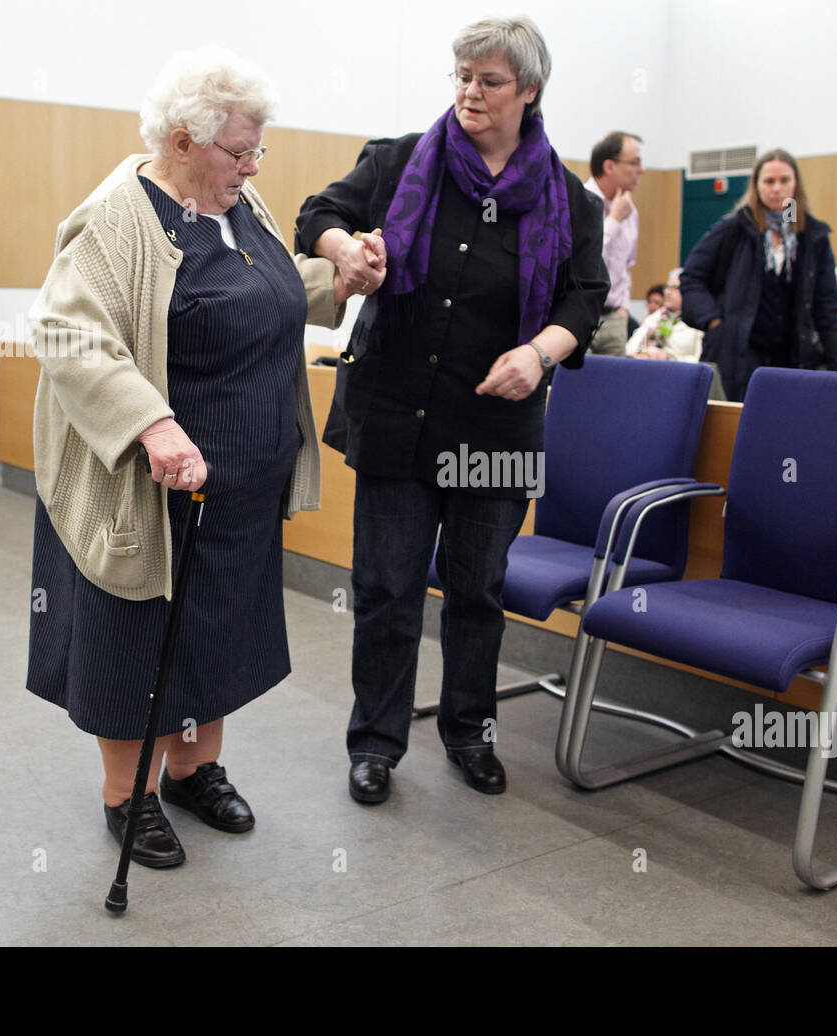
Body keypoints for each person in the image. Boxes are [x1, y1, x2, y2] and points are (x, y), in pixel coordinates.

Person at [26, 48, 359, 868]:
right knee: (134, 640)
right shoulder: (116, 216)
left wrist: (338, 280)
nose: (252, 164)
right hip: (147, 483)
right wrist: (151, 424)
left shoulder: (239, 204)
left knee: (217, 631)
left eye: (258, 150)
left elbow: (264, 286)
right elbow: (69, 336)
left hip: (241, 484)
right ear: (182, 140)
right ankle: (126, 795)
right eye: (239, 150)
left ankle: (193, 770)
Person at [295, 16, 606, 805]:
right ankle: (375, 745)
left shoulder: (569, 198)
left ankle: (469, 733)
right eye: (462, 76)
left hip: (498, 428)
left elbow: (585, 297)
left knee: (477, 591)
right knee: (387, 588)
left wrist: (540, 352)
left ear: (529, 93)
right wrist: (345, 251)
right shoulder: (400, 162)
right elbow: (314, 215)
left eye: (489, 80)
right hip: (400, 413)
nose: (470, 92)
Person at [679, 148, 837, 401]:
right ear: (756, 186)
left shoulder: (811, 236)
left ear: (796, 185)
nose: (776, 189)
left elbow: (827, 307)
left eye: (784, 181)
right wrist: (715, 321)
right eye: (769, 181)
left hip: (791, 355)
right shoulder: (734, 228)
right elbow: (692, 278)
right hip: (738, 351)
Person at [584, 130, 642, 354]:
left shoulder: (630, 209)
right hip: (581, 313)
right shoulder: (579, 200)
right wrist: (614, 220)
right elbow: (585, 257)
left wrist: (624, 308)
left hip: (615, 317)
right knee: (578, 387)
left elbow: (626, 266)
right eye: (634, 162)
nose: (641, 170)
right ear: (609, 167)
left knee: (613, 386)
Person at [626, 268, 703, 363]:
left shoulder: (698, 321)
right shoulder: (655, 317)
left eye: (674, 288)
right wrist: (643, 353)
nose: (667, 292)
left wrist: (668, 357)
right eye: (667, 287)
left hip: (680, 372)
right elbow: (631, 347)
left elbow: (701, 360)